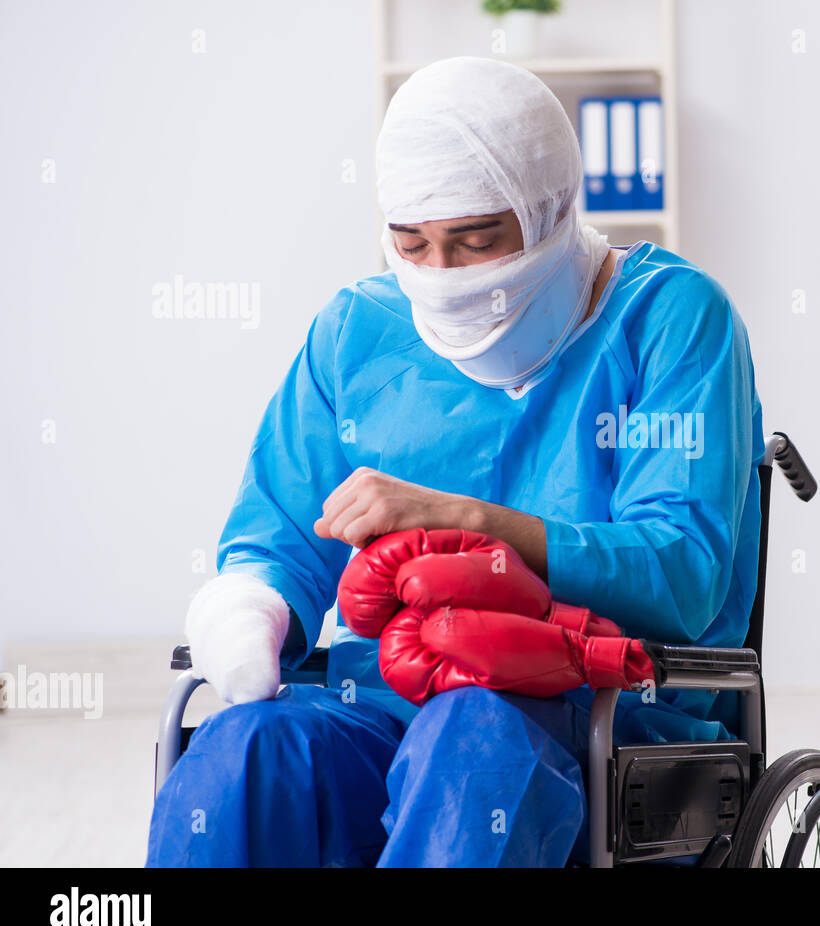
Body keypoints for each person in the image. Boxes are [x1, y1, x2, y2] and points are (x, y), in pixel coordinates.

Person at [147, 55, 764, 867]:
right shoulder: (357, 332)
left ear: (550, 210)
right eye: (413, 244)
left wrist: (467, 521)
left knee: (471, 745)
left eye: (477, 242)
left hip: (600, 715)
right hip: (379, 697)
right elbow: (279, 533)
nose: (440, 276)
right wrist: (248, 615)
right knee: (246, 751)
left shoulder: (670, 319)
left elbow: (682, 573)